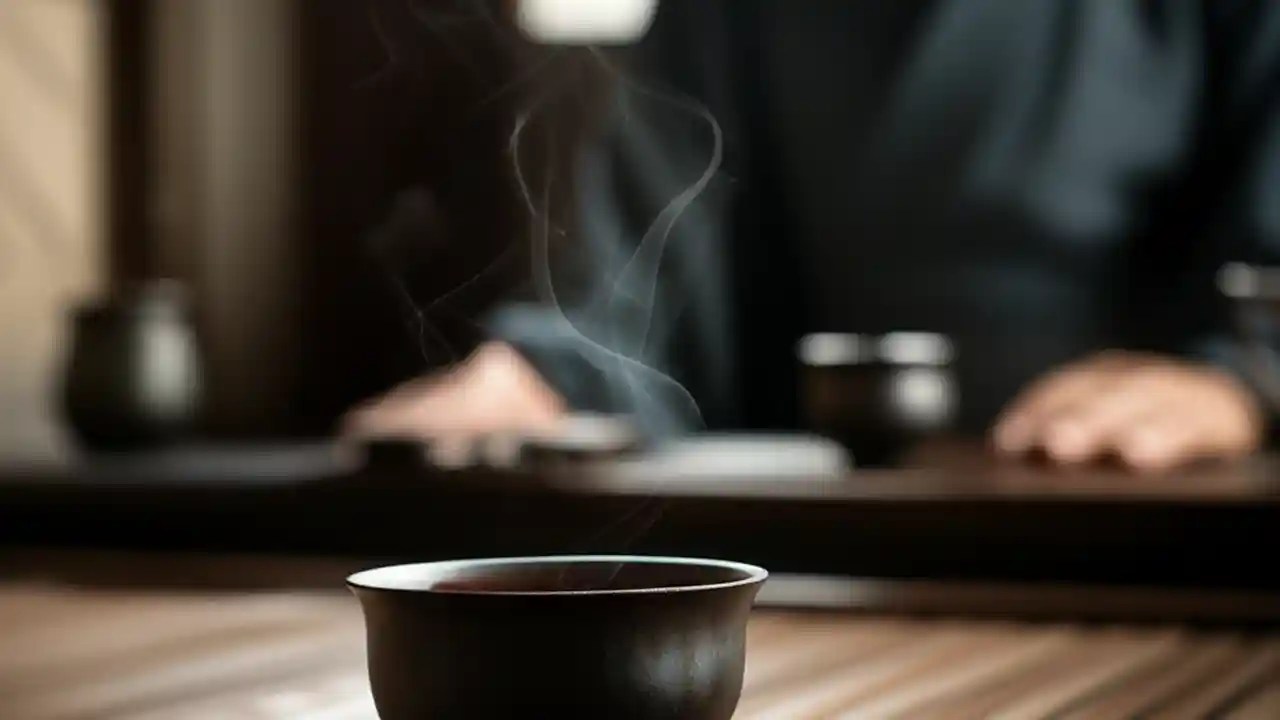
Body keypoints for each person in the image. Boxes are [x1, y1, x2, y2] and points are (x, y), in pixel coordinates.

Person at [346, 0, 1279, 471]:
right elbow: (652, 251)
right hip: (825, 545)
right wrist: (555, 377)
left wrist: (1241, 379)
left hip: (1148, 533)